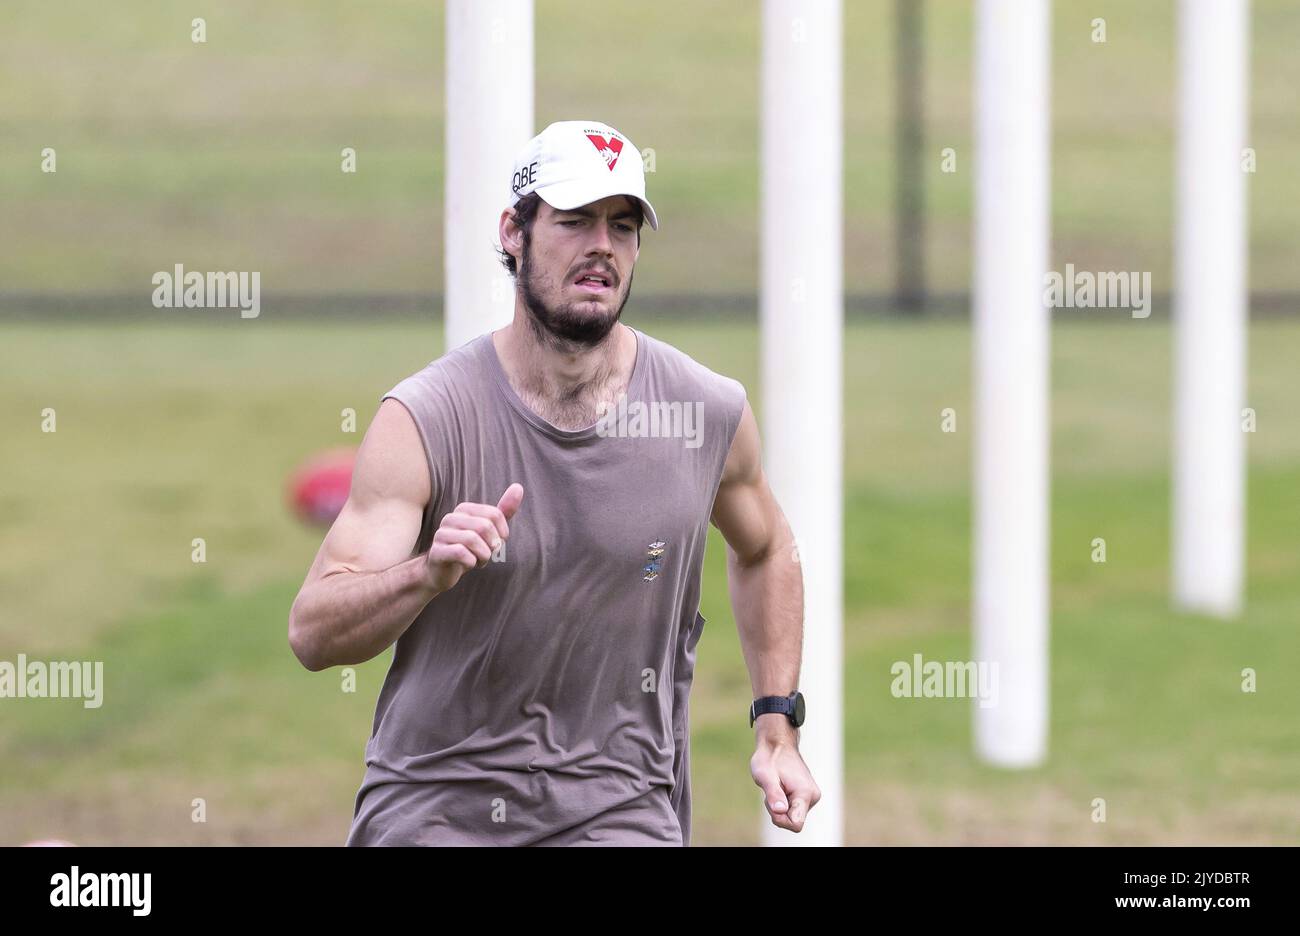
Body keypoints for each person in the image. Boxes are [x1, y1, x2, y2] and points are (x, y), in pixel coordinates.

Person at [288, 119, 819, 845]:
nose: (603, 245)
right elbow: (313, 634)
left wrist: (776, 723)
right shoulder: (427, 418)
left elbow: (767, 549)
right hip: (436, 806)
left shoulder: (703, 412)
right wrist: (424, 575)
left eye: (624, 226)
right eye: (575, 220)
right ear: (514, 231)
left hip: (621, 810)